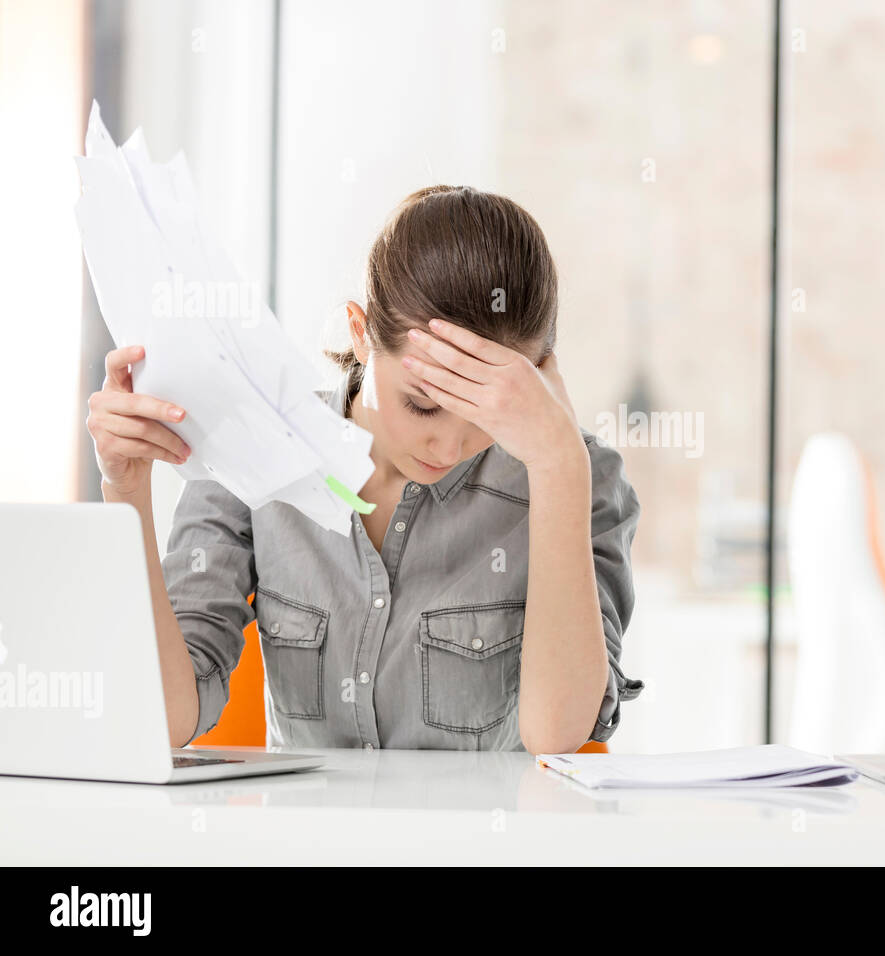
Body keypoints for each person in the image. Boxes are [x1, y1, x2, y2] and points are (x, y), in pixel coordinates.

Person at [86, 185, 642, 754]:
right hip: (305, 840)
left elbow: (557, 735)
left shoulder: (578, 478)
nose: (449, 446)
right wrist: (126, 491)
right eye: (422, 404)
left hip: (481, 843)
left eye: (486, 413)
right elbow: (166, 719)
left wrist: (558, 466)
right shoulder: (255, 452)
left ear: (542, 375)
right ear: (360, 330)